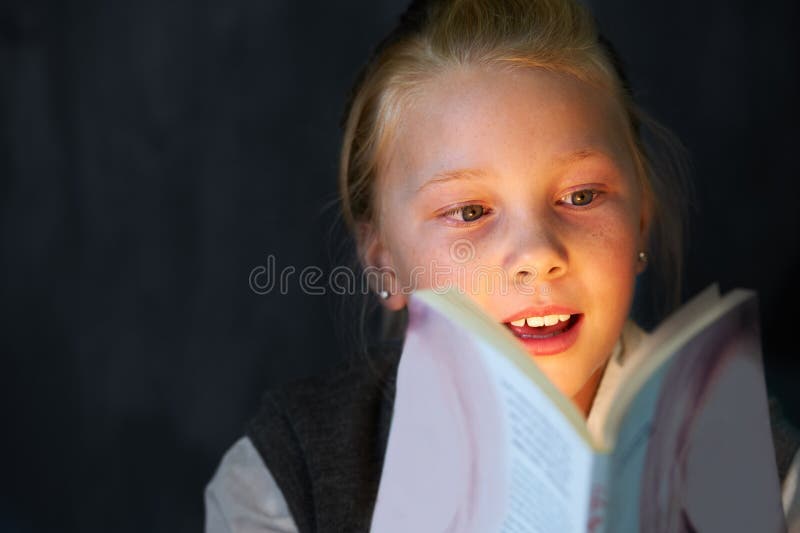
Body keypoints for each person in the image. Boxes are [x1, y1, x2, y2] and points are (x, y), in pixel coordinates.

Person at [204, 0, 800, 531]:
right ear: (385, 263)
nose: (538, 255)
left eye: (583, 196)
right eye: (469, 211)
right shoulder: (285, 475)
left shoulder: (757, 464)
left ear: (641, 218)